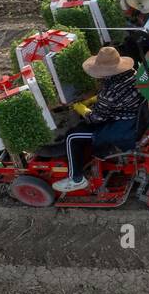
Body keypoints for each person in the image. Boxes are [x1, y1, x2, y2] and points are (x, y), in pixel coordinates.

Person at [55, 46, 143, 194]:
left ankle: (76, 179)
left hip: (123, 127)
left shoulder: (109, 92)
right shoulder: (132, 74)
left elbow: (95, 119)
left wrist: (81, 108)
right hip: (135, 116)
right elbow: (116, 99)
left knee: (72, 136)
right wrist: (94, 99)